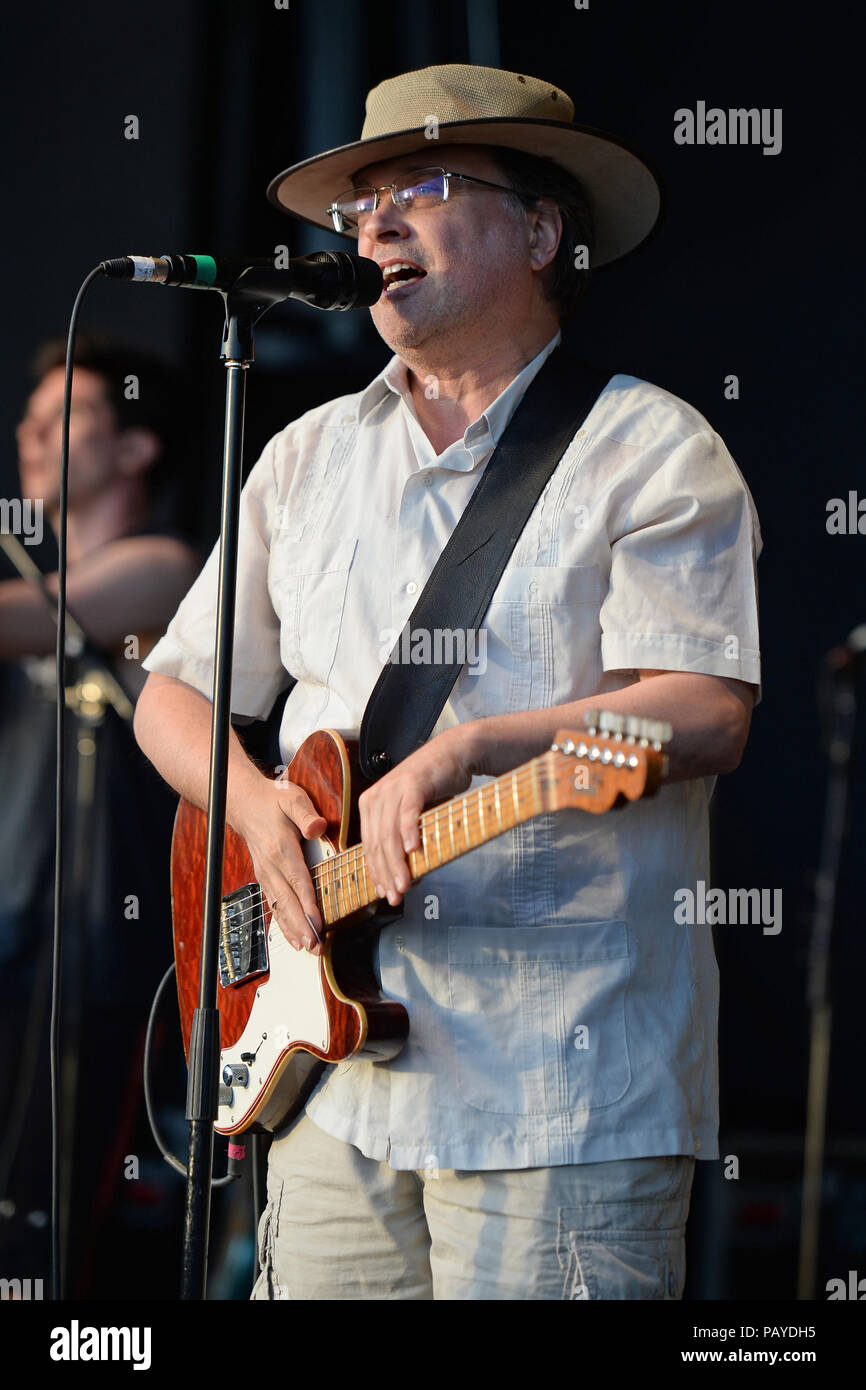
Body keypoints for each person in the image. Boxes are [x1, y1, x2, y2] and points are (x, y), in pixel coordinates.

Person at [133, 64, 762, 1300]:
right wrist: (259, 813)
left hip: (560, 1086)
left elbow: (703, 712)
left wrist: (473, 748)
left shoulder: (651, 446)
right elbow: (172, 694)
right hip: (332, 1078)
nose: (374, 224)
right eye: (360, 201)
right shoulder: (303, 456)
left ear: (538, 231)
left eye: (422, 185)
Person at [0, 335, 200, 1295]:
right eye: (29, 419)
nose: (30, 435)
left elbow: (29, 617)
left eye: (63, 417)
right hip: (22, 944)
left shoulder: (161, 570)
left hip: (109, 966)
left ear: (135, 448)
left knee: (64, 1237)